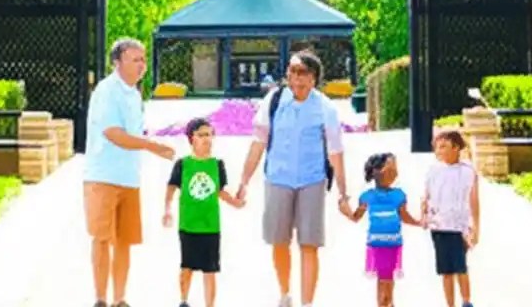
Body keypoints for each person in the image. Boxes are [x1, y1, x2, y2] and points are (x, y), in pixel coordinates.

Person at [238, 50, 348, 307]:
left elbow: (336, 152)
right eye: (292, 71)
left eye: (302, 73)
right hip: (278, 178)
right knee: (279, 241)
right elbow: (258, 142)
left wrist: (343, 192)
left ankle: (307, 302)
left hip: (312, 180)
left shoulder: (325, 108)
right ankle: (285, 293)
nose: (295, 78)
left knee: (309, 243)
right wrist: (244, 180)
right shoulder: (274, 101)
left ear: (314, 78)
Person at [85, 38, 176, 307]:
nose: (141, 65)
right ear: (117, 62)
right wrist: (151, 145)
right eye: (135, 59)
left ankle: (120, 299)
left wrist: (149, 140)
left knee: (124, 241)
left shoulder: (134, 95)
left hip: (129, 178)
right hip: (102, 176)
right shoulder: (107, 91)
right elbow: (113, 133)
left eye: (143, 59)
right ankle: (101, 299)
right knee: (102, 238)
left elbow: (134, 133)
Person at [163, 118, 245, 307]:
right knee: (187, 266)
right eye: (201, 135)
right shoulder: (183, 164)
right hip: (188, 224)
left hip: (210, 225)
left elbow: (220, 191)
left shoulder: (217, 165)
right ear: (192, 138)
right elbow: (172, 187)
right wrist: (167, 209)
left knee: (210, 270)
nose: (206, 139)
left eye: (209, 134)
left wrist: (236, 202)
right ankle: (184, 300)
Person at [340, 152, 423, 307]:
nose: (394, 173)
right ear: (375, 172)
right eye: (390, 168)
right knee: (383, 279)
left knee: (387, 280)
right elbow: (356, 217)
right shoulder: (367, 196)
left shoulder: (399, 195)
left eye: (395, 169)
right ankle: (385, 303)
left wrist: (419, 222)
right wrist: (346, 211)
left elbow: (404, 216)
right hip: (377, 245)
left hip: (393, 244)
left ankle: (387, 303)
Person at [421, 131, 479, 307]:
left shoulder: (468, 171)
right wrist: (424, 215)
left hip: (459, 227)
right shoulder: (433, 170)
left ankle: (467, 301)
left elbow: (474, 200)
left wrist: (476, 227)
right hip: (439, 226)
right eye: (437, 146)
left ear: (456, 148)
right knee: (446, 271)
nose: (439, 150)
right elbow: (426, 196)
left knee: (460, 267)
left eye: (443, 146)